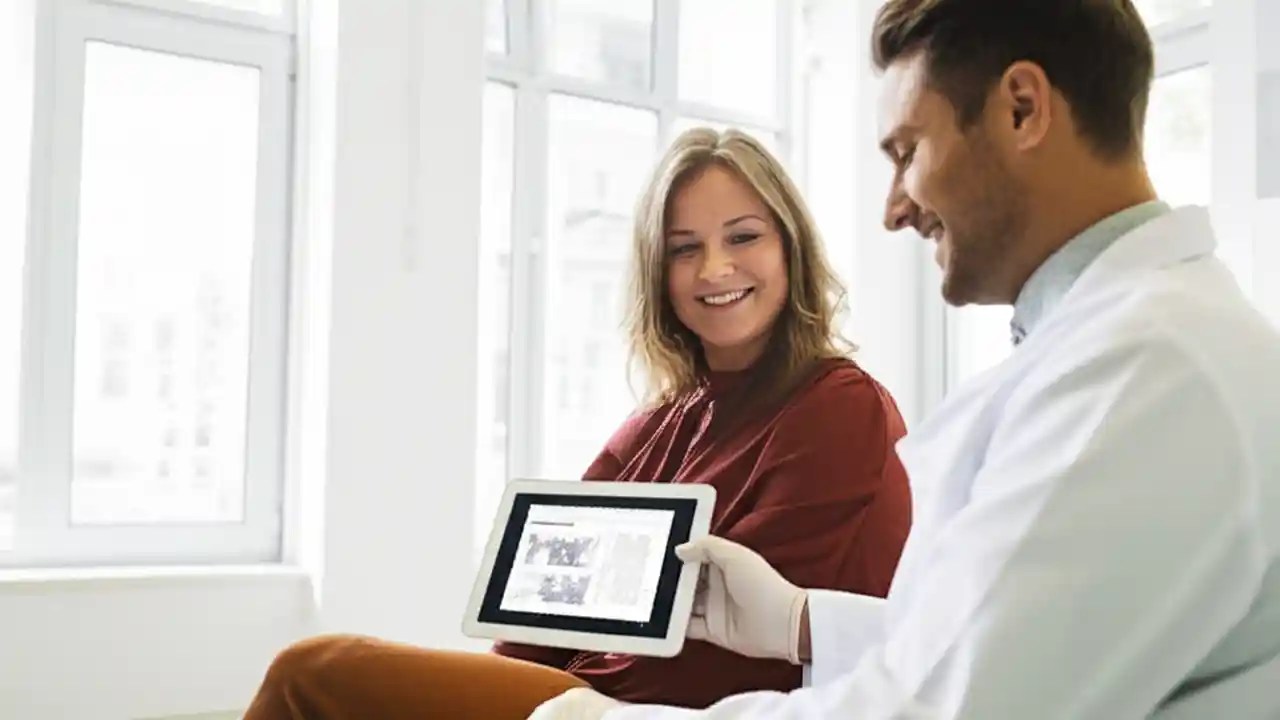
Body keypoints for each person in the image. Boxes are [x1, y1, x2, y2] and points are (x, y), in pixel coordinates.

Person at [531, 1, 1280, 718]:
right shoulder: (1132, 345)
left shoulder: (1144, 369)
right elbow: (992, 650)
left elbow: (942, 709)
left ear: (1023, 109)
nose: (895, 207)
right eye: (684, 249)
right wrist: (801, 622)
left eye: (907, 152)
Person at [242, 129, 913, 719]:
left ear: (790, 247)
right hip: (583, 699)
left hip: (677, 710)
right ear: (659, 273)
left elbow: (729, 653)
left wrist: (544, 696)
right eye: (684, 249)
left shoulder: (841, 407)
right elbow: (541, 610)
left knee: (313, 675)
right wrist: (494, 686)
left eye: (743, 236)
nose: (715, 268)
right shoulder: (660, 422)